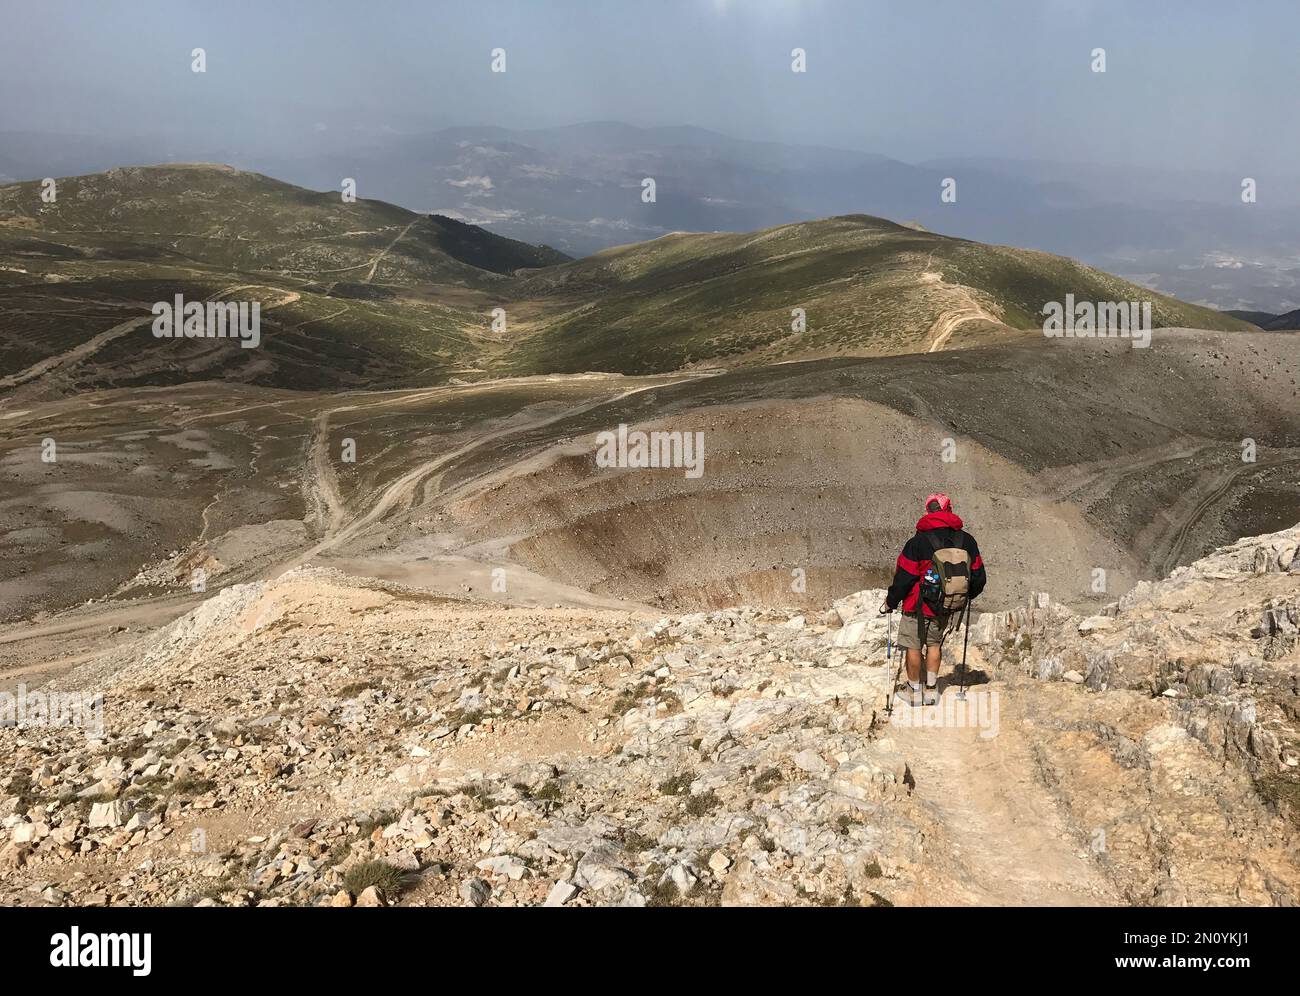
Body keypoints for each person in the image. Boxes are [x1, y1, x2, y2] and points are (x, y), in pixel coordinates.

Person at [881, 493, 986, 706]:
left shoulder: (917, 542)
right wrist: (965, 596)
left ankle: (914, 691)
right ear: (950, 509)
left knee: (913, 646)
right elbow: (978, 575)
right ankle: (931, 690)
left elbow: (904, 576)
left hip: (915, 605)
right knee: (934, 644)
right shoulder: (966, 540)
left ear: (927, 511)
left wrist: (890, 602)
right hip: (944, 605)